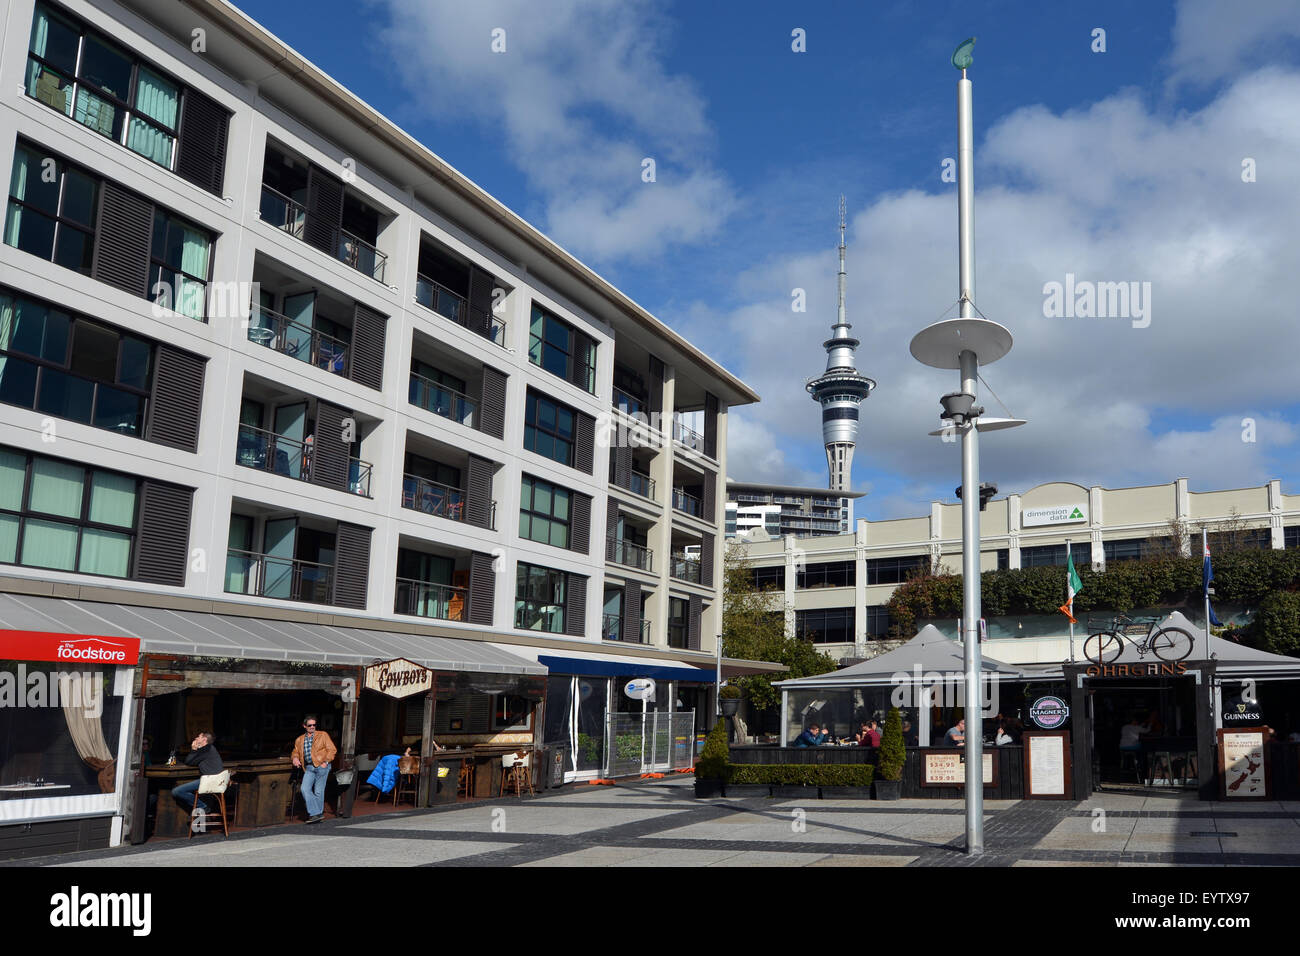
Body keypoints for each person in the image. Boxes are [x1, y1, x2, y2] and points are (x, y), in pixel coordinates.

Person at [291, 716, 337, 824]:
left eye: (314, 725)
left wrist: (326, 762)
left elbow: (332, 749)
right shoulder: (299, 739)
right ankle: (317, 812)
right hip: (309, 767)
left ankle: (315, 814)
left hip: (322, 766)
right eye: (310, 725)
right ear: (304, 726)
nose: (312, 727)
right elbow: (295, 751)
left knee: (318, 791)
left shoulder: (323, 735)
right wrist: (295, 758)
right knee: (304, 789)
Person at [172, 731, 223, 817]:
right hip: (215, 781)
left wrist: (193, 749)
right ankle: (198, 810)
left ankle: (203, 806)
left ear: (204, 739)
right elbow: (192, 761)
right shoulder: (208, 749)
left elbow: (189, 762)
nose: (196, 738)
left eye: (198, 737)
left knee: (176, 791)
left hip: (210, 781)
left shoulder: (207, 749)